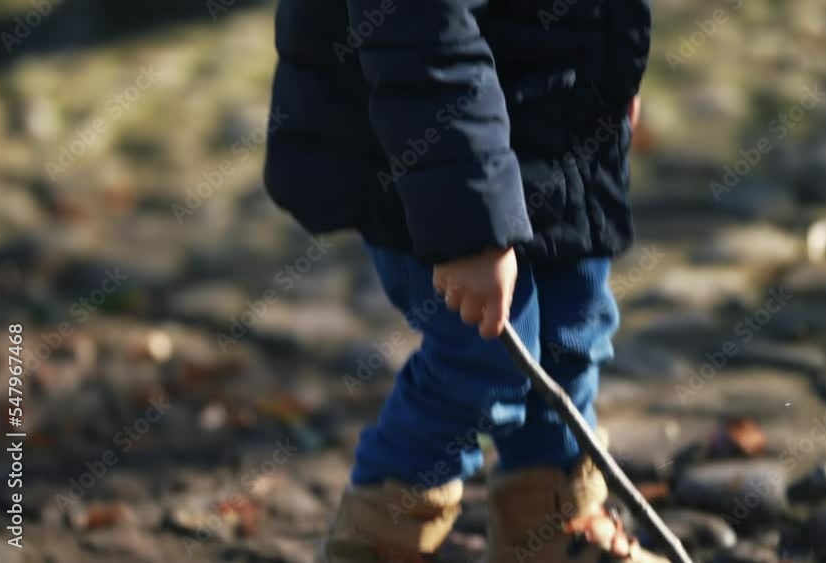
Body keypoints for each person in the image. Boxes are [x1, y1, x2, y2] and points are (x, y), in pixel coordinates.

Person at [264, 0, 664, 561]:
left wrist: (611, 68)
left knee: (570, 336)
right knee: (481, 358)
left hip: (557, 125)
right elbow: (421, 38)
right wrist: (469, 226)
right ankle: (380, 540)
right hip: (426, 160)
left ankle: (554, 527)